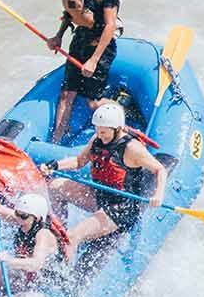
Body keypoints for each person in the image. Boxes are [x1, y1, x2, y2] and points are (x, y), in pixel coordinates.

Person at [49, 101, 166, 254]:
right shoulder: (97, 138)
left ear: (117, 129)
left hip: (120, 207)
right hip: (99, 196)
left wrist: (158, 194)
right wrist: (54, 165)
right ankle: (59, 231)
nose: (100, 136)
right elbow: (79, 161)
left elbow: (160, 169)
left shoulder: (132, 148)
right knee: (54, 186)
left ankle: (64, 272)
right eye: (97, 131)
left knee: (71, 236)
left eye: (104, 132)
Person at [49, 0, 124, 142]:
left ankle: (122, 117)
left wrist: (93, 60)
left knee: (92, 102)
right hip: (80, 38)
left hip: (100, 44)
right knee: (67, 94)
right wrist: (59, 35)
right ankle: (56, 140)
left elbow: (110, 25)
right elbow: (72, 9)